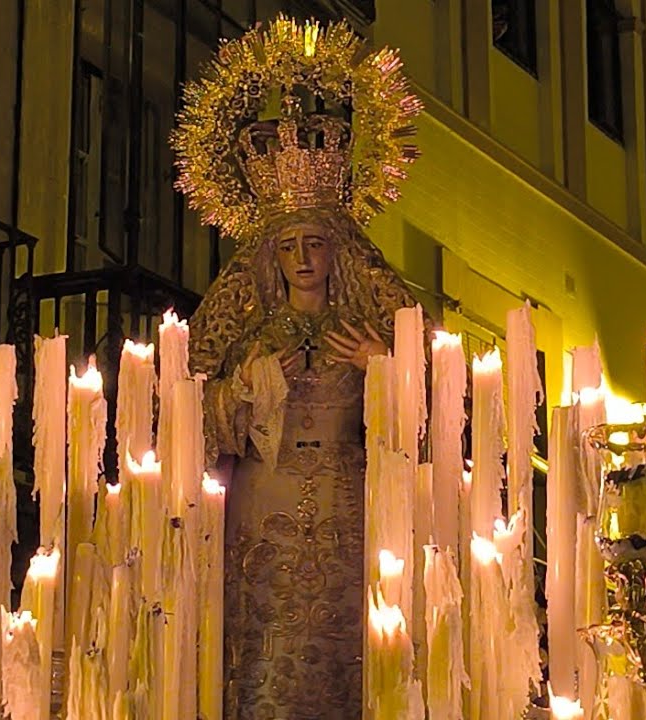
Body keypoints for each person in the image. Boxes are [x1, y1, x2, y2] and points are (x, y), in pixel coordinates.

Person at [174, 20, 421, 716]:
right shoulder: (246, 329)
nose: (305, 257)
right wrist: (247, 386)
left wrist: (385, 366)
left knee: (350, 659)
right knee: (265, 661)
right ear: (271, 256)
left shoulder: (368, 327)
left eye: (317, 242)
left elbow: (434, 401)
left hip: (350, 509)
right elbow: (192, 407)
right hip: (265, 507)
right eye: (290, 246)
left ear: (337, 250)